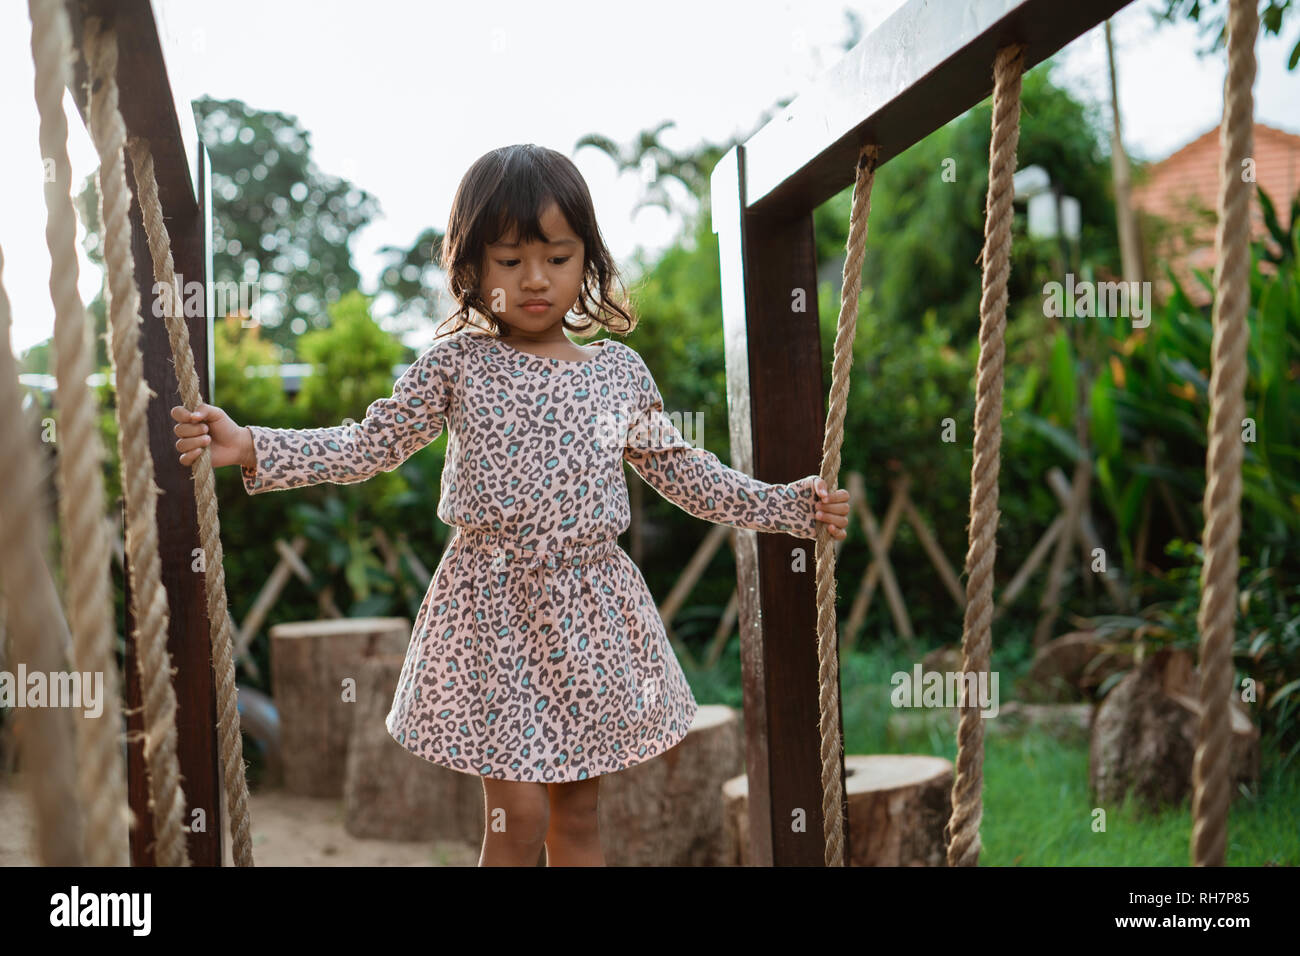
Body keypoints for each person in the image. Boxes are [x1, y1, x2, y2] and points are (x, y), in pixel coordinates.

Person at [171, 143, 850, 866]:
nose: (535, 279)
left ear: (587, 260)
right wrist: (252, 445)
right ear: (472, 269)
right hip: (490, 610)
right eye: (509, 259)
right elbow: (371, 444)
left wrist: (785, 506)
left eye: (557, 258)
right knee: (516, 816)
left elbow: (686, 473)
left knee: (578, 814)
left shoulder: (617, 373)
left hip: (589, 610)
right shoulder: (457, 364)